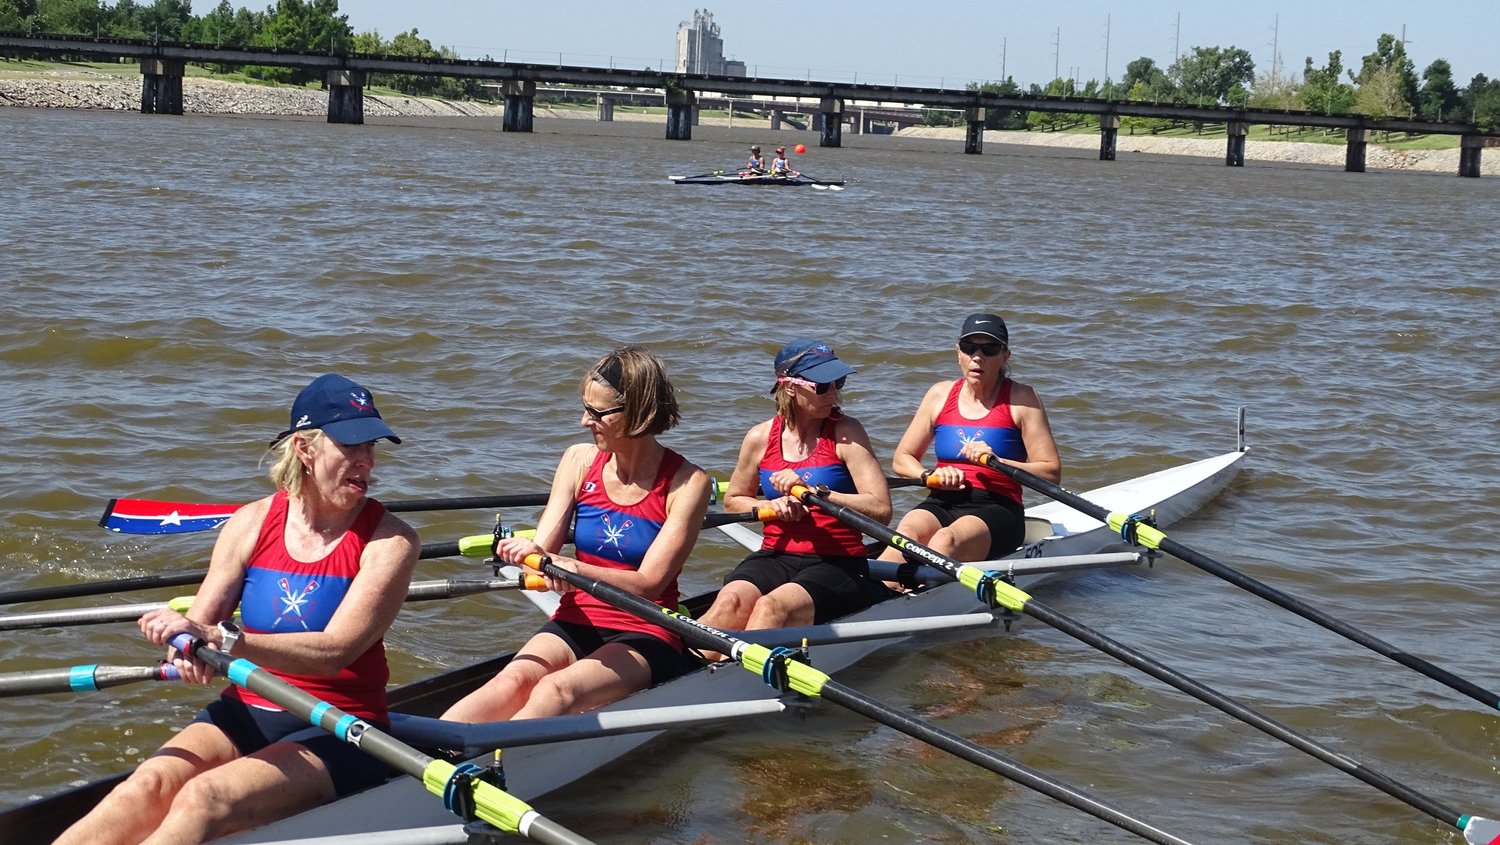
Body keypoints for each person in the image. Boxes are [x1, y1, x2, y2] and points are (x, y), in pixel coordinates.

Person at [55, 374, 420, 845]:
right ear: (305, 450)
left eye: (371, 445)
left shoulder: (391, 541)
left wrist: (225, 642)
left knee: (203, 797)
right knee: (146, 786)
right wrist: (181, 643)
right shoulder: (250, 523)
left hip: (342, 729)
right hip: (249, 707)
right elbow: (202, 623)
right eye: (350, 445)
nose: (365, 461)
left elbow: (336, 651)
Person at [443, 346, 711, 723]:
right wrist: (528, 552)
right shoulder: (578, 460)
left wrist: (568, 567)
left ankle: (498, 769)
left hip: (646, 627)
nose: (586, 421)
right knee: (513, 680)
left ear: (636, 411)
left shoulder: (688, 483)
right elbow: (545, 547)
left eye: (598, 413)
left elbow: (649, 584)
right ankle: (424, 763)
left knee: (556, 690)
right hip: (579, 614)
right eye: (586, 408)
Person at [697, 339, 893, 640]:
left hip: (839, 562)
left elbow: (880, 509)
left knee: (771, 607)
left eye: (838, 382)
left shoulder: (846, 433)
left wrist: (816, 492)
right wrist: (770, 508)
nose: (834, 393)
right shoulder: (760, 438)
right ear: (790, 387)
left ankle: (733, 678)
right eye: (823, 386)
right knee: (729, 601)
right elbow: (734, 501)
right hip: (775, 555)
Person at [878, 313, 1061, 569]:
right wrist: (929, 475)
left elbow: (1051, 472)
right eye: (969, 347)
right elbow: (902, 458)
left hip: (998, 506)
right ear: (958, 352)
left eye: (989, 349)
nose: (978, 356)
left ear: (1005, 356)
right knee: (905, 534)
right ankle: (879, 597)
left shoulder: (1022, 398)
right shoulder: (939, 394)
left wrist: (998, 462)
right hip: (943, 498)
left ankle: (918, 596)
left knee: (945, 539)